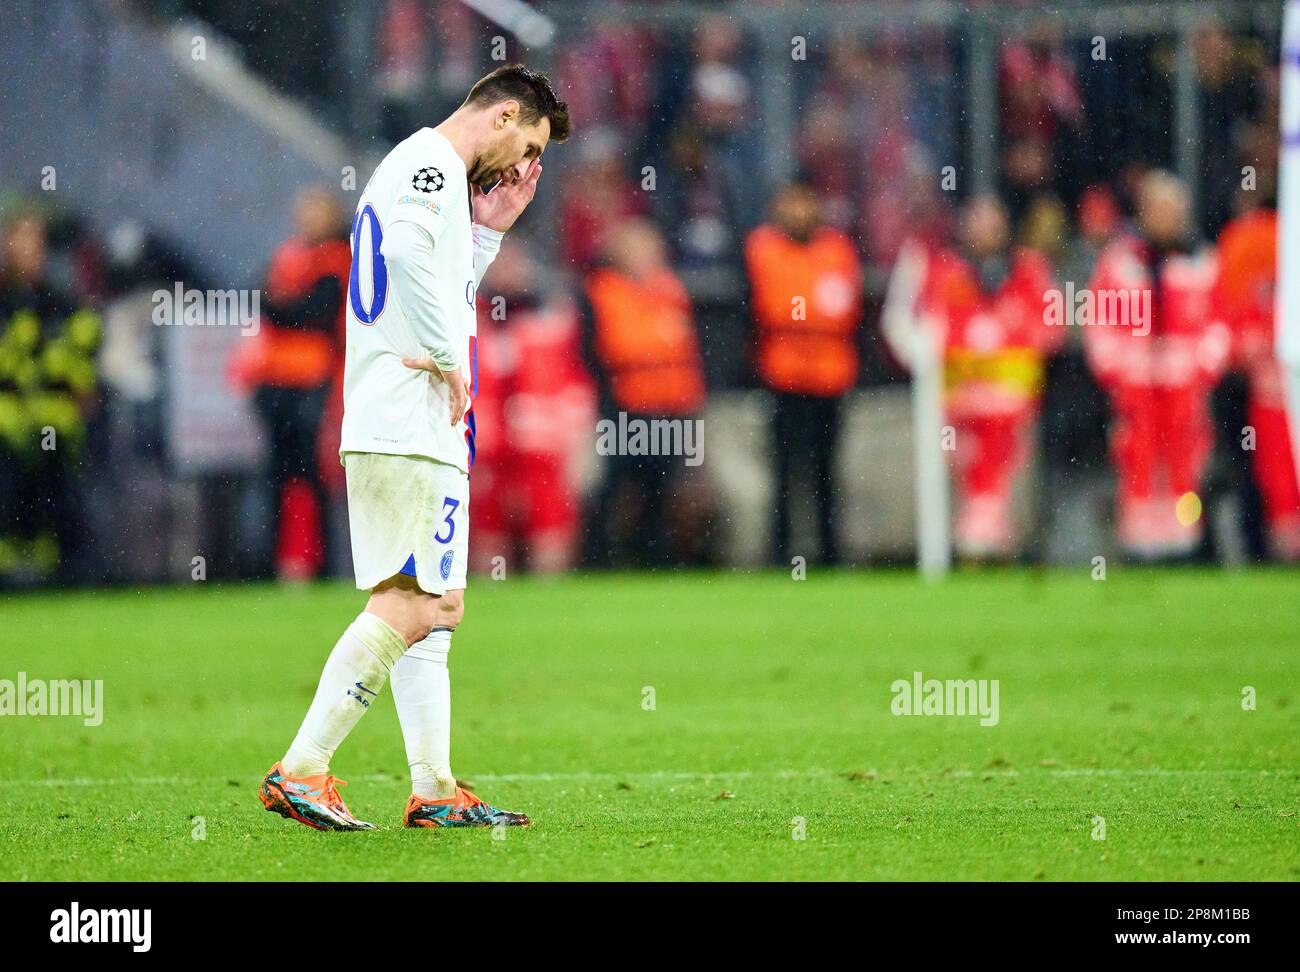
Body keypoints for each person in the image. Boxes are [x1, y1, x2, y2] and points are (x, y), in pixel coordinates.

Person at [258, 64, 570, 830]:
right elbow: (399, 257)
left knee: (438, 606)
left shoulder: (421, 171)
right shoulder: (431, 164)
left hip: (412, 420)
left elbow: (439, 277)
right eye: (528, 143)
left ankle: (434, 790)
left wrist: (489, 232)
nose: (525, 165)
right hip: (406, 419)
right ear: (501, 116)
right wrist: (450, 356)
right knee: (413, 603)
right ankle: (301, 769)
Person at [885, 195, 1059, 559]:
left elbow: (1050, 324)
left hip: (1011, 399)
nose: (986, 233)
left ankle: (995, 538)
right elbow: (915, 323)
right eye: (978, 224)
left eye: (993, 225)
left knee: (1003, 469)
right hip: (959, 399)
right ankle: (972, 539)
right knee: (963, 464)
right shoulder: (945, 270)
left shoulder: (1027, 270)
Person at [1086, 171, 1230, 559]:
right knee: (1136, 455)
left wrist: (1196, 364)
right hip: (1136, 387)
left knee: (1187, 458)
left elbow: (1219, 326)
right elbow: (1099, 326)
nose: (1169, 217)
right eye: (1160, 208)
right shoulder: (1119, 263)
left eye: (1174, 208)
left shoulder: (1202, 261)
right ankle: (1138, 544)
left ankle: (1184, 541)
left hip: (1183, 386)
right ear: (1144, 211)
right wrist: (1123, 365)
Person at [745, 182, 862, 565]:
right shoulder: (764, 247)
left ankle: (830, 555)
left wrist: (807, 317)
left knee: (828, 472)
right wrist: (812, 316)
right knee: (784, 473)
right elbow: (772, 307)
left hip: (830, 379)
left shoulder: (837, 249)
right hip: (784, 378)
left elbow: (844, 310)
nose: (799, 211)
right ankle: (780, 555)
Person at [580, 218, 706, 567]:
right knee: (615, 488)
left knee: (664, 490)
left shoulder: (670, 291)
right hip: (625, 408)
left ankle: (656, 561)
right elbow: (601, 352)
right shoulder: (602, 293)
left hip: (671, 408)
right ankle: (599, 561)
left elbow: (686, 351)